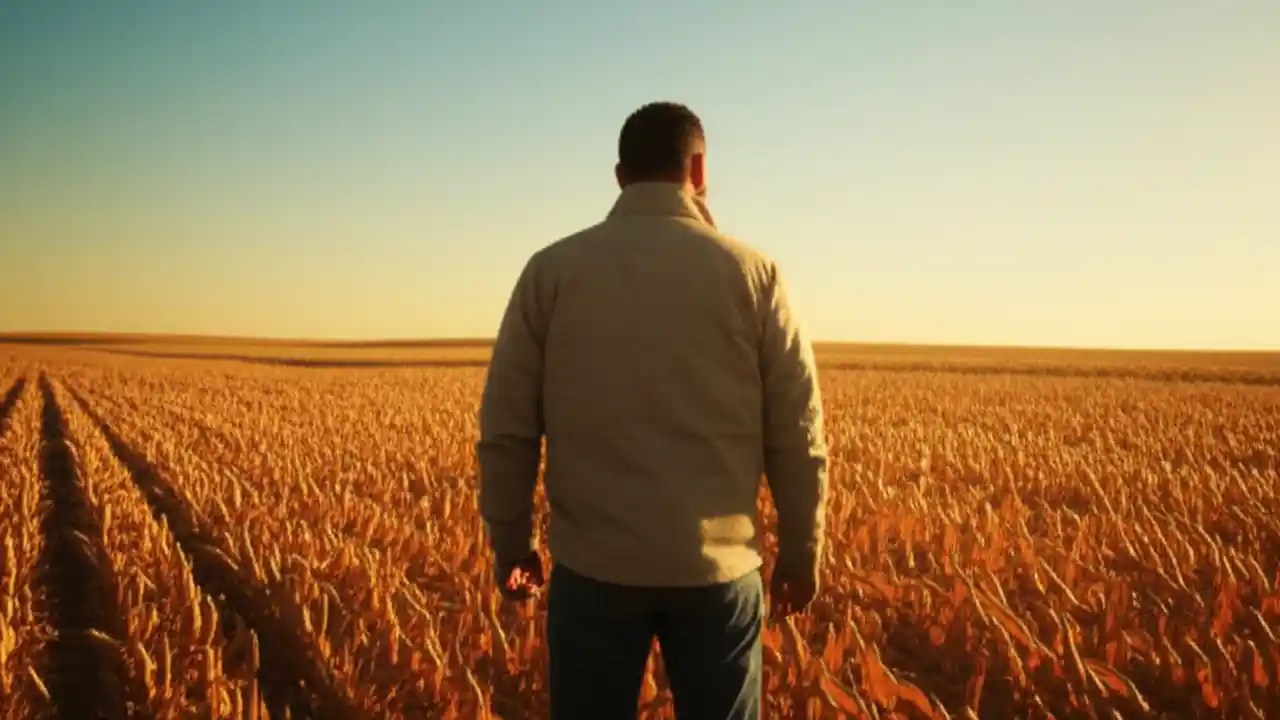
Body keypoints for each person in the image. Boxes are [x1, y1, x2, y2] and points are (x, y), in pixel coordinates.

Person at [476, 101, 828, 719]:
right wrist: (800, 548)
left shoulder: (551, 272)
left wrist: (512, 543)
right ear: (699, 168)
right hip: (720, 579)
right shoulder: (755, 275)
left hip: (593, 575)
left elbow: (507, 428)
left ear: (619, 176)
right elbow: (797, 432)